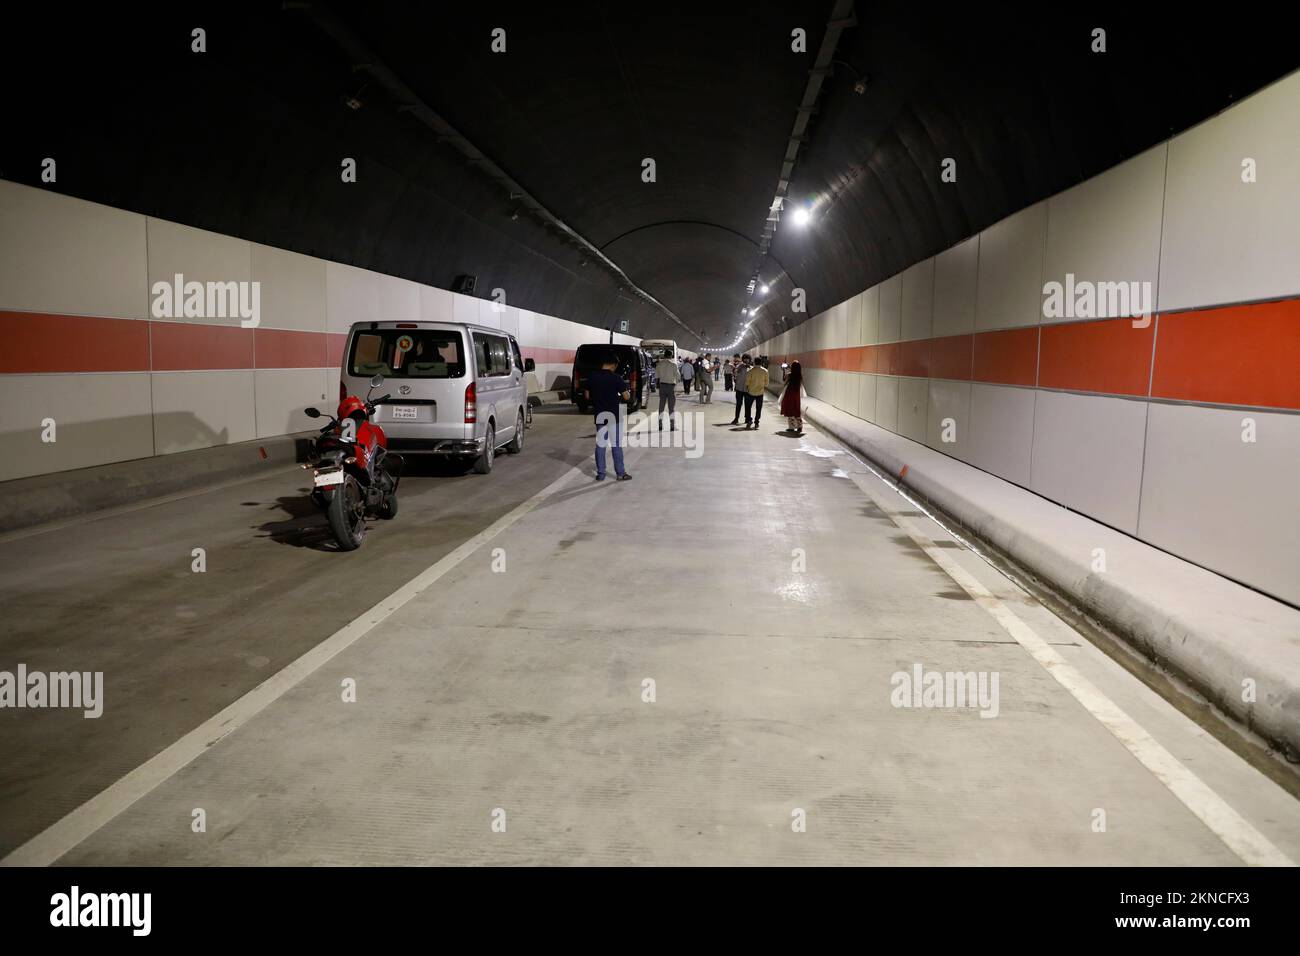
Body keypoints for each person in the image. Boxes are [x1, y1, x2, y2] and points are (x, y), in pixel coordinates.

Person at [585, 354, 632, 481]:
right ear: (613, 364)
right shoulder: (616, 378)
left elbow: (587, 396)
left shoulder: (592, 378)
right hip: (614, 416)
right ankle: (620, 473)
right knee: (616, 445)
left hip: (600, 415)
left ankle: (601, 474)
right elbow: (627, 397)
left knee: (600, 445)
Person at [655, 352, 681, 430]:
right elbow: (678, 377)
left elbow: (656, 376)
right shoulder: (673, 365)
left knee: (661, 406)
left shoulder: (659, 364)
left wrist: (658, 384)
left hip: (662, 386)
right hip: (670, 387)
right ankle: (672, 426)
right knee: (671, 407)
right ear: (670, 356)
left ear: (664, 355)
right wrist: (676, 381)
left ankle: (660, 425)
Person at [743, 354, 769, 429]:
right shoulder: (765, 371)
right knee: (758, 408)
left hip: (750, 392)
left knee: (748, 407)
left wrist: (748, 388)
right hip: (760, 393)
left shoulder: (750, 371)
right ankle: (756, 422)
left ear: (754, 362)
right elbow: (767, 383)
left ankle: (749, 420)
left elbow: (747, 382)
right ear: (761, 363)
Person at [779, 360, 804, 434]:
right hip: (796, 395)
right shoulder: (800, 376)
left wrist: (784, 371)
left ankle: (791, 427)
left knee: (790, 410)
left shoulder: (789, 375)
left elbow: (784, 380)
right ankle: (800, 426)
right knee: (796, 409)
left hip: (789, 394)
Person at [730, 354, 751, 425]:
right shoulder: (739, 367)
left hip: (748, 390)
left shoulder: (751, 368)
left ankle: (747, 418)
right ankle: (736, 418)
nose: (746, 360)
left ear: (749, 360)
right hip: (739, 389)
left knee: (748, 405)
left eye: (747, 358)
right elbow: (735, 374)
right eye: (744, 358)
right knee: (738, 404)